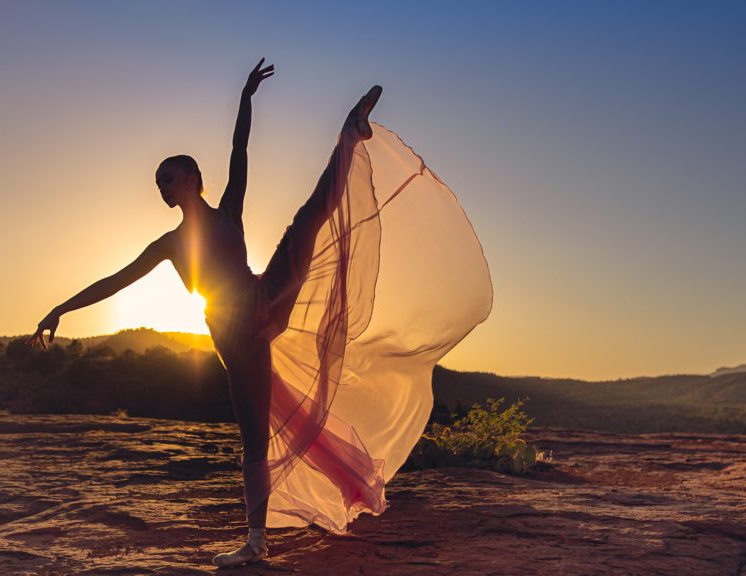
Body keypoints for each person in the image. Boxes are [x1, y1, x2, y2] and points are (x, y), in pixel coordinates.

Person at [28, 59, 492, 569]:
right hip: (233, 334)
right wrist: (61, 308)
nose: (163, 187)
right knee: (255, 437)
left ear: (193, 179)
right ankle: (256, 540)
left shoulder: (227, 210)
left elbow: (239, 150)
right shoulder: (169, 244)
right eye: (159, 183)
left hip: (263, 297)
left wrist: (246, 98)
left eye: (170, 177)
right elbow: (116, 280)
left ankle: (349, 136)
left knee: (307, 221)